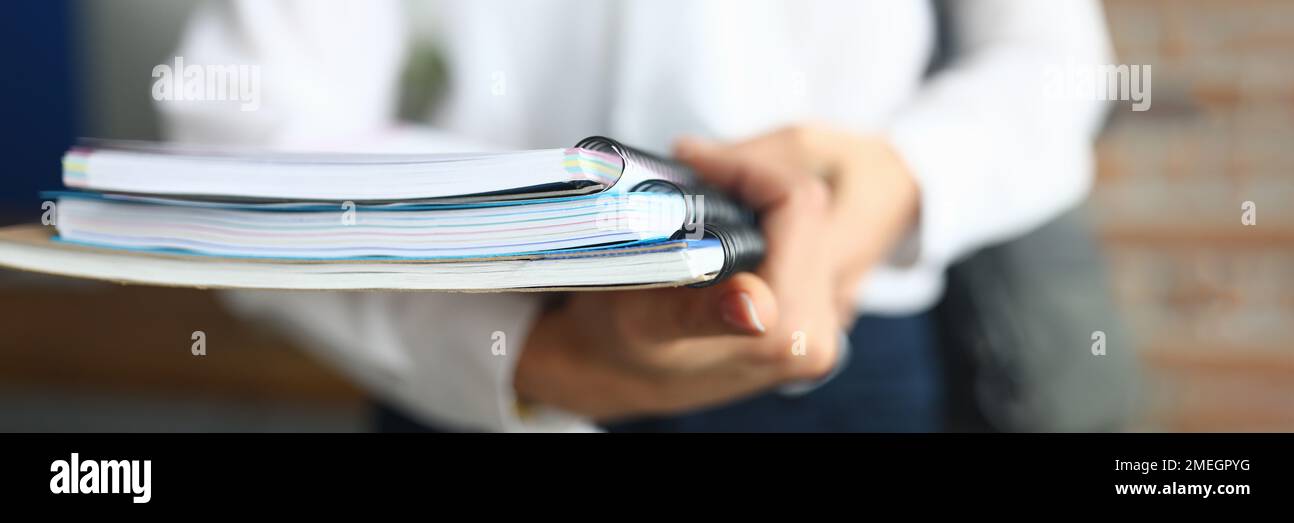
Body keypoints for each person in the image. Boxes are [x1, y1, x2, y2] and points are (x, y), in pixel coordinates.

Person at [159, 0, 1111, 432]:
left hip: (851, 341)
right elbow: (244, 123)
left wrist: (900, 175)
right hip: (480, 352)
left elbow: (1052, 60)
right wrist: (529, 356)